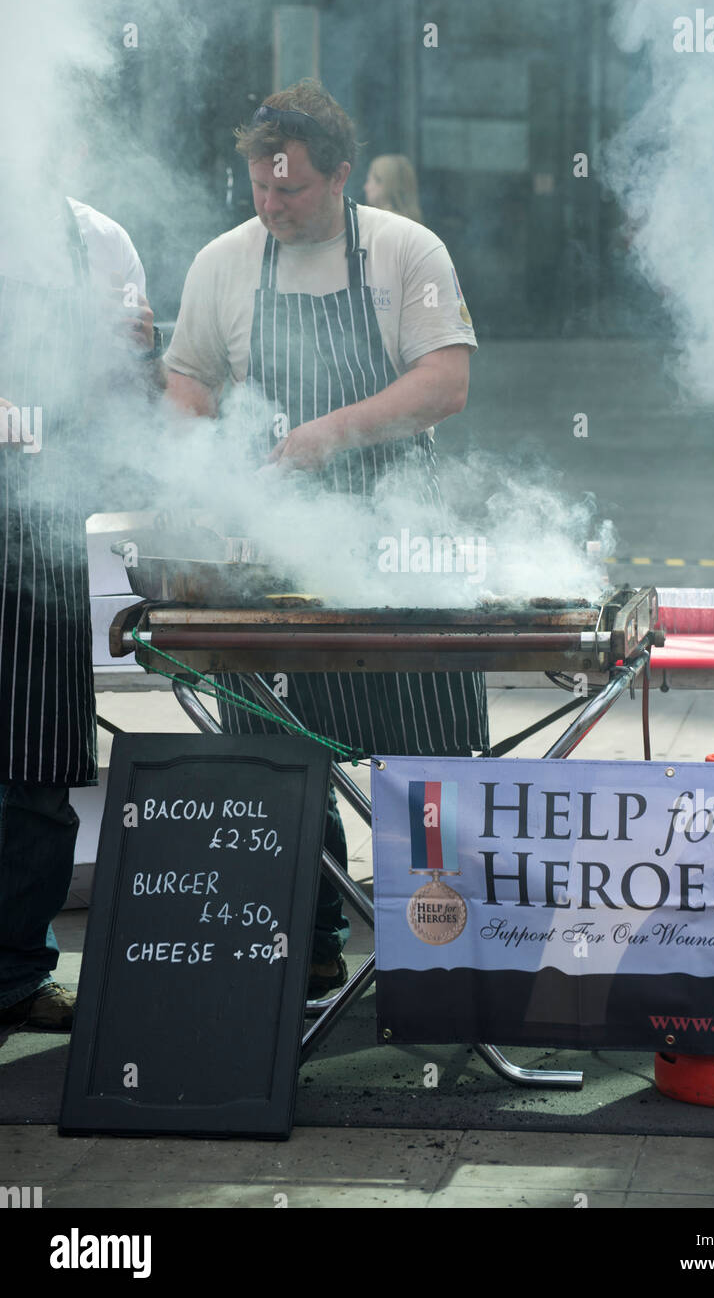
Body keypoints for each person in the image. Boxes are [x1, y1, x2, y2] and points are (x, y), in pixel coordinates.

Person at [161, 79, 487, 995]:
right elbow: (187, 378)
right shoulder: (224, 261)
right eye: (260, 188)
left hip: (396, 530)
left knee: (427, 750)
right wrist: (208, 472)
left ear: (340, 176)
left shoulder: (405, 250)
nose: (272, 205)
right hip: (276, 537)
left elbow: (444, 385)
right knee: (277, 748)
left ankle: (443, 958)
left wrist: (323, 434)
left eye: (292, 189)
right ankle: (300, 951)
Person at [0, 181, 156, 1032]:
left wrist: (136, 356)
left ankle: (17, 976)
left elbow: (128, 395)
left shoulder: (98, 242)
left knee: (36, 767)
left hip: (45, 521)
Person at [363, 153, 423, 222]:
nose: (365, 187)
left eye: (369, 180)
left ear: (384, 184)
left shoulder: (382, 223)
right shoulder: (412, 224)